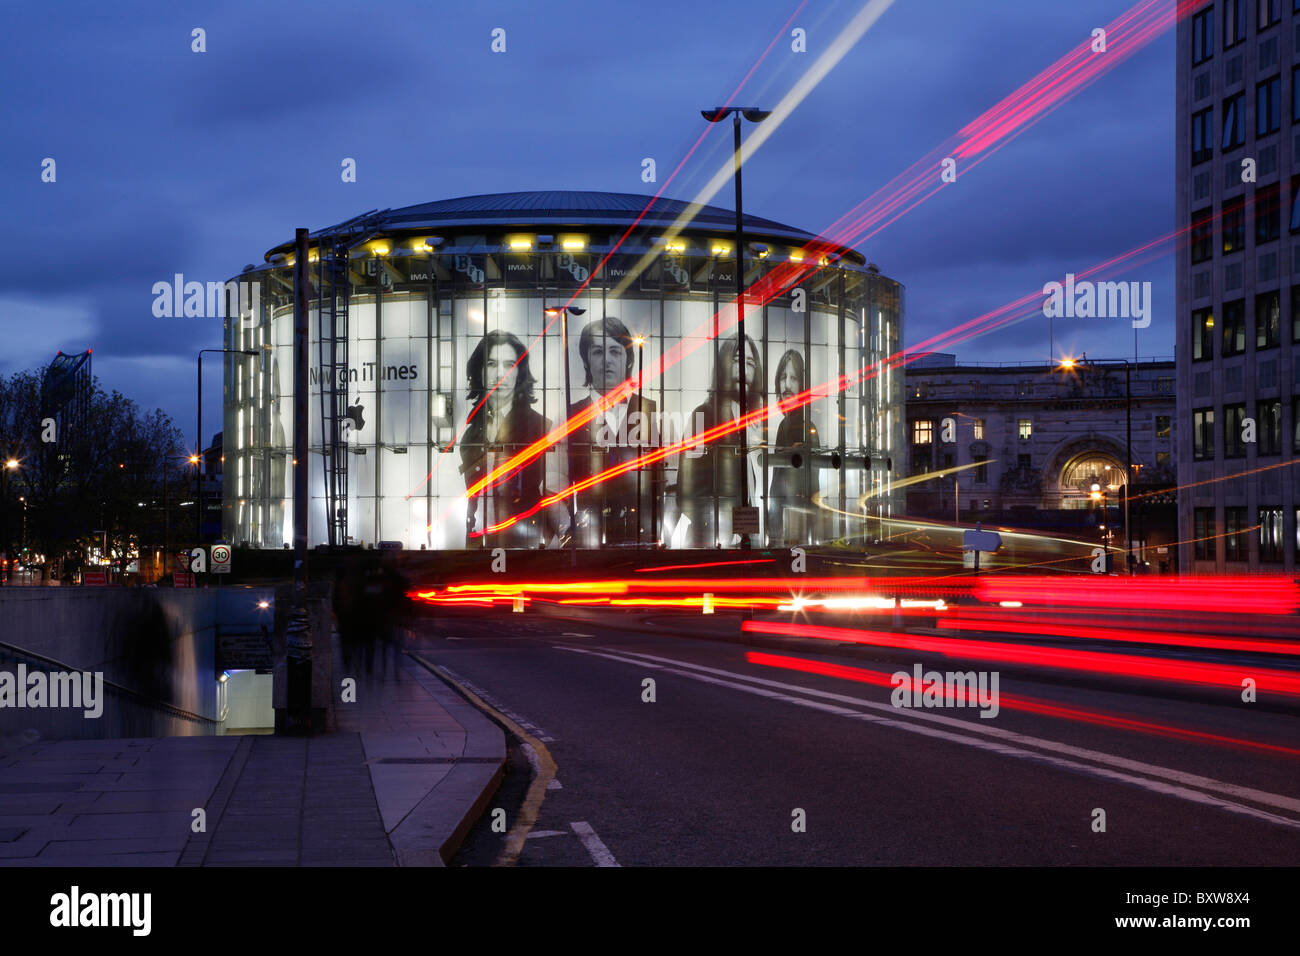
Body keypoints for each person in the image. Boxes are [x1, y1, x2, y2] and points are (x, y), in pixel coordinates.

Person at [459, 330, 568, 549]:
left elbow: (555, 497)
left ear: (519, 372)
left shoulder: (542, 429)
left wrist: (564, 543)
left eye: (509, 365)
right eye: (491, 364)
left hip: (527, 543)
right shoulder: (471, 434)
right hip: (480, 544)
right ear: (479, 371)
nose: (500, 374)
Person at [565, 316, 662, 547]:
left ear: (628, 359)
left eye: (615, 352)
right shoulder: (569, 417)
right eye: (598, 352)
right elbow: (556, 479)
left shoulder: (653, 411)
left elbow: (665, 479)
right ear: (586, 360)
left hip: (640, 534)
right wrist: (565, 527)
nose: (607, 360)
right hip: (588, 535)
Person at [675, 332, 765, 548]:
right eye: (736, 360)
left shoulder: (753, 424)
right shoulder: (702, 414)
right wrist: (709, 527)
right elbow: (687, 491)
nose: (743, 369)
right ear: (723, 365)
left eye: (750, 363)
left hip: (741, 534)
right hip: (710, 538)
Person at [767, 349, 819, 546]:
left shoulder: (805, 426)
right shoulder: (785, 424)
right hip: (787, 511)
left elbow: (812, 471)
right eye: (783, 377)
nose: (787, 385)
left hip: (796, 511)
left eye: (794, 378)